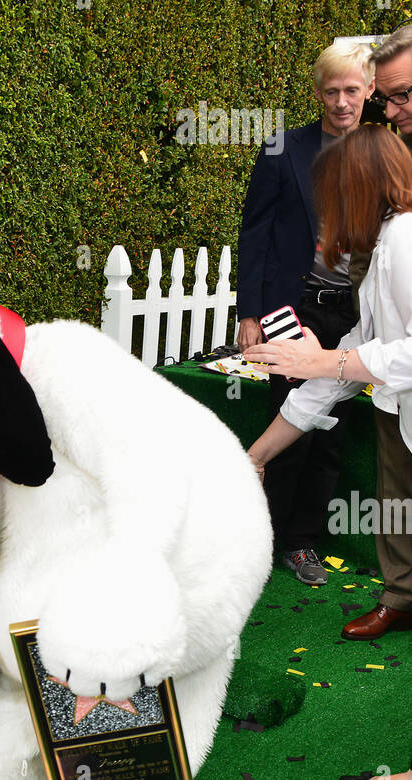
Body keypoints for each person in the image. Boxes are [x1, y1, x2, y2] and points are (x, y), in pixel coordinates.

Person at [244, 123, 412, 641]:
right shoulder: (380, 240)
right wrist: (257, 455)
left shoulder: (404, 238)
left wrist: (321, 364)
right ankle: (401, 599)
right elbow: (348, 360)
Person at [237, 42, 374, 587]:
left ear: (368, 91)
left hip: (354, 315)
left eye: (352, 90)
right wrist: (252, 313)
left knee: (329, 429)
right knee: (291, 417)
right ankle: (263, 541)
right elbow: (255, 234)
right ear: (318, 93)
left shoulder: (387, 154)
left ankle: (301, 543)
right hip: (293, 309)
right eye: (332, 91)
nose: (342, 102)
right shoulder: (282, 149)